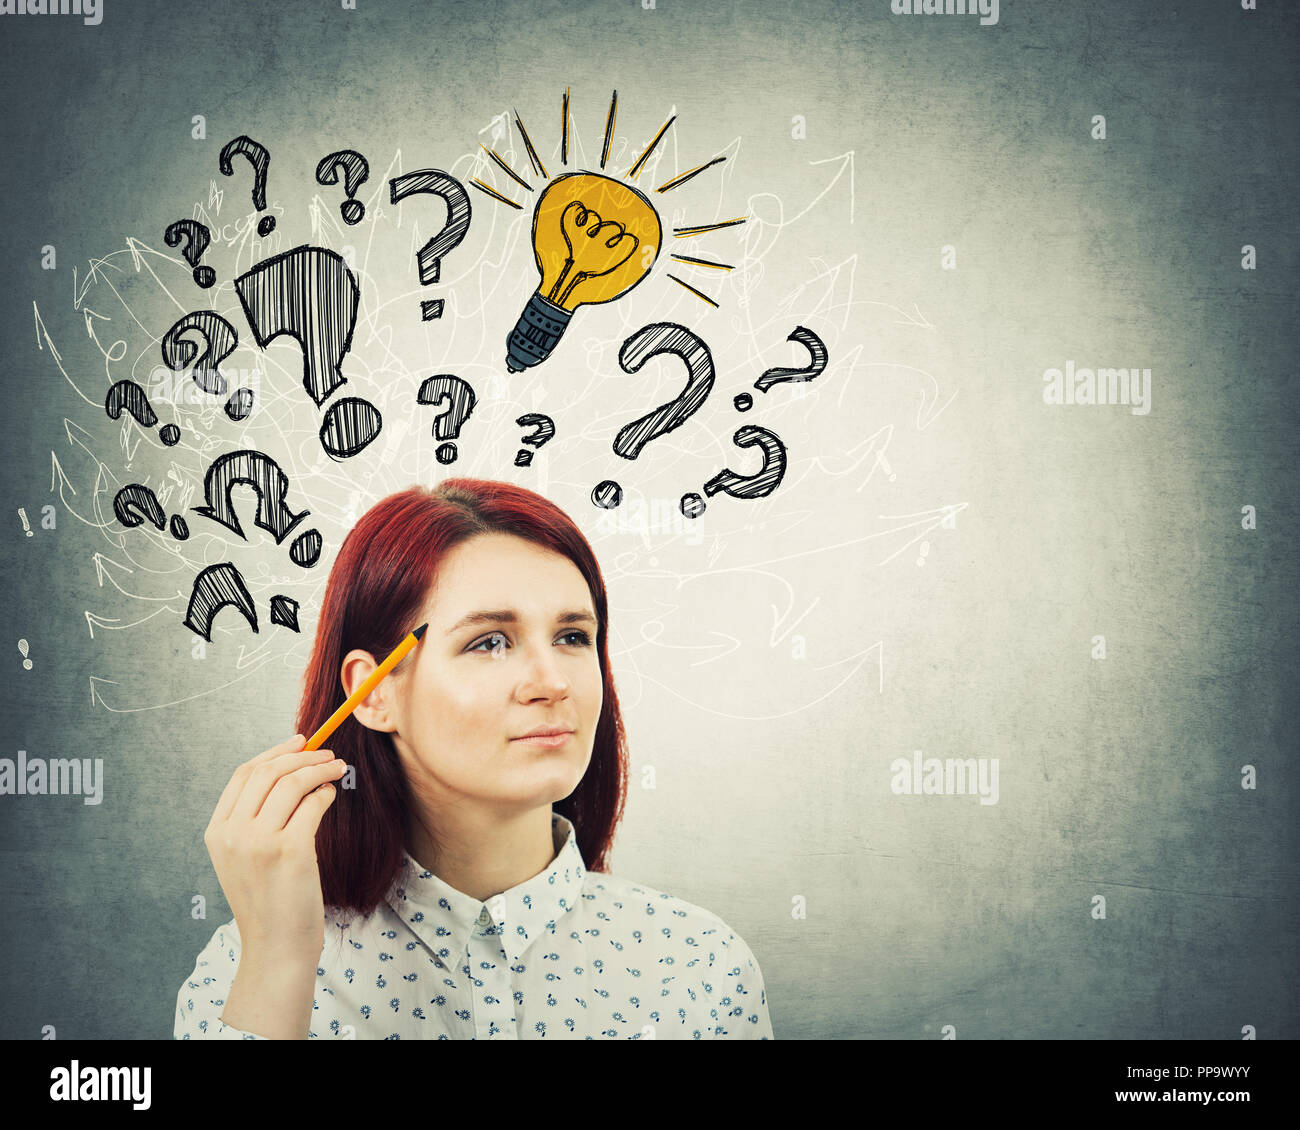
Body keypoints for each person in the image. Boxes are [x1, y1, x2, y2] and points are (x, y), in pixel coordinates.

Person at [174, 478, 773, 1039]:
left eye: (572, 637)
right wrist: (278, 964)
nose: (551, 682)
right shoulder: (241, 974)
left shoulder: (699, 968)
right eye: (489, 642)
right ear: (374, 691)